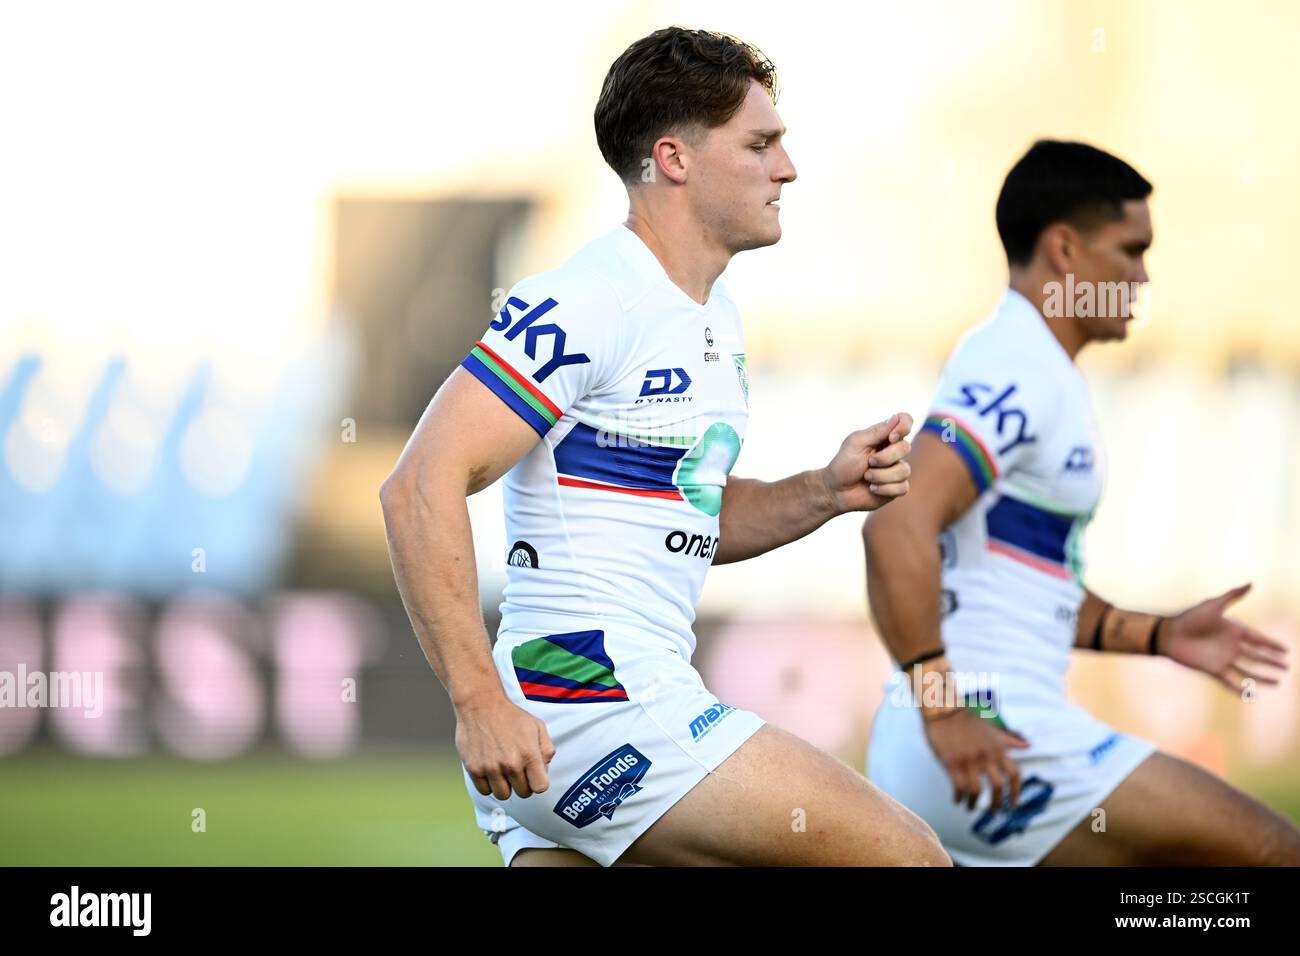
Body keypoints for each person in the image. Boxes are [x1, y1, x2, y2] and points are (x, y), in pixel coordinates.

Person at [381, 26, 947, 867]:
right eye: (761, 144)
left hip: (579, 717)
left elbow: (681, 520)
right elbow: (419, 482)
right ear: (673, 159)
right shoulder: (589, 299)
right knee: (911, 860)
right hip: (588, 699)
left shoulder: (711, 315)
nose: (786, 168)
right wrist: (477, 702)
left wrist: (826, 490)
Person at [863, 139, 1300, 866]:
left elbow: (1024, 586)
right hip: (985, 731)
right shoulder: (1019, 364)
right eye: (1131, 249)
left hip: (964, 737)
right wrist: (944, 709)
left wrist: (1158, 636)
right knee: (1268, 851)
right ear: (1065, 249)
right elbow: (895, 521)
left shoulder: (1032, 365)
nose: (1143, 275)